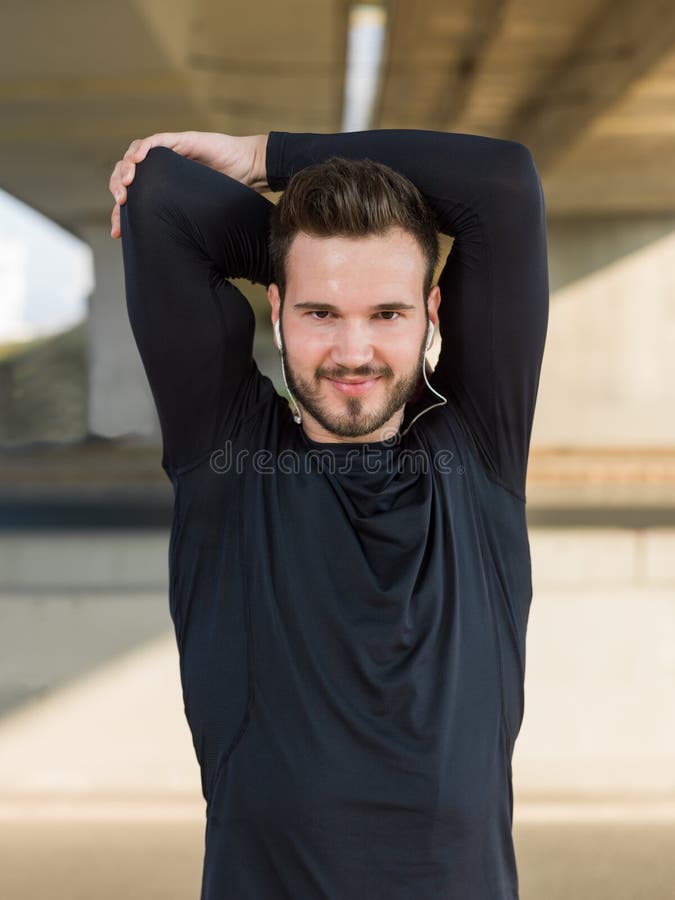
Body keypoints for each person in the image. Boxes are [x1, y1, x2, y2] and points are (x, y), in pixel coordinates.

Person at [109, 126, 549, 899]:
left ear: (432, 311)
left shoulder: (478, 458)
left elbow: (504, 181)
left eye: (386, 312)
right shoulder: (226, 459)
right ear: (274, 308)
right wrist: (301, 251)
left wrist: (263, 158)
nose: (353, 352)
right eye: (320, 313)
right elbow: (161, 194)